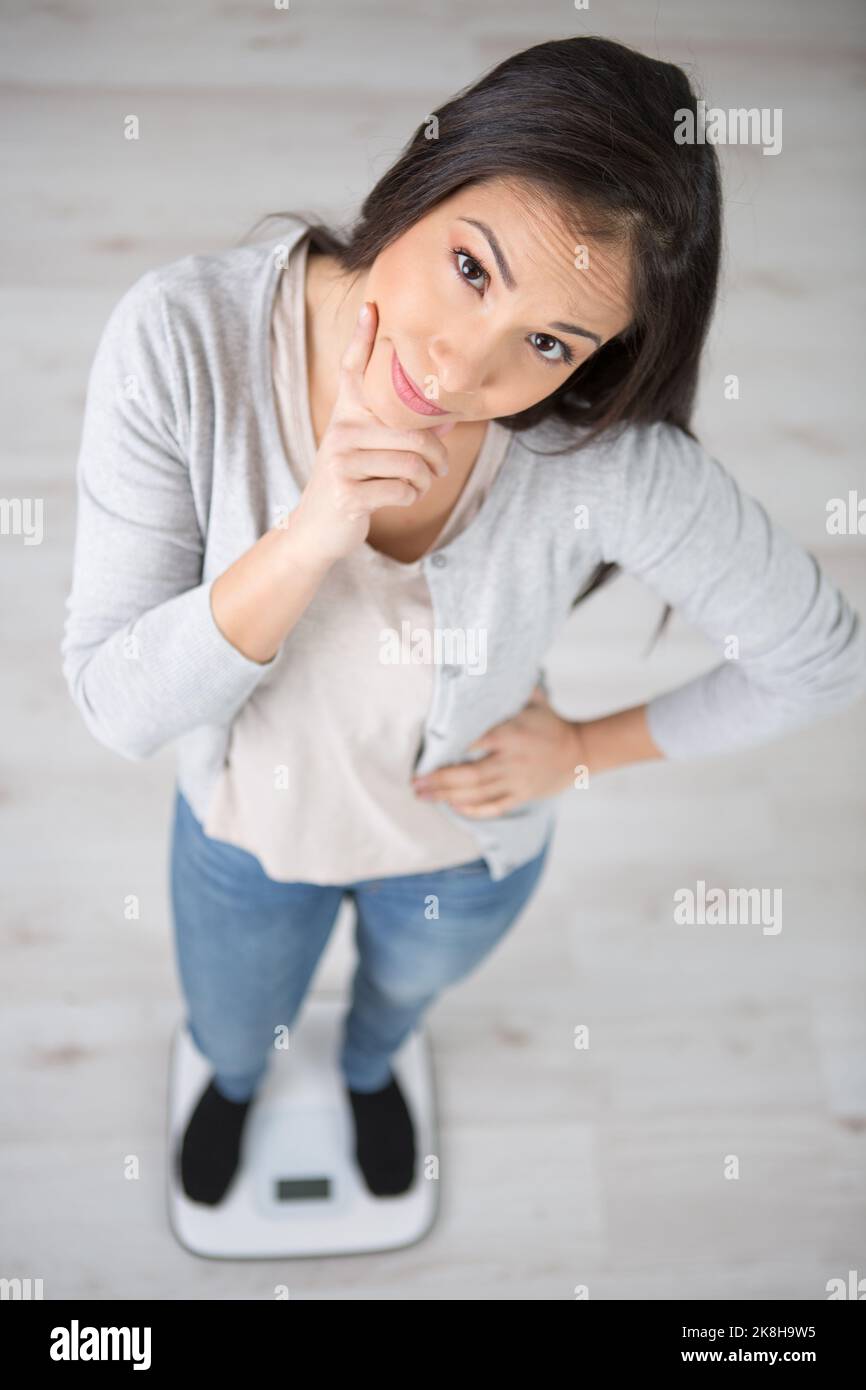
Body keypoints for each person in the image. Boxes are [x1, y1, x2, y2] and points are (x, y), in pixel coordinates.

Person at [60, 36, 866, 1205]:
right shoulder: (182, 340)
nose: (455, 367)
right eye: (472, 268)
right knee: (234, 1027)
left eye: (547, 342)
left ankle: (373, 1069)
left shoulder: (598, 458)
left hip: (455, 857)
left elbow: (817, 659)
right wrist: (311, 531)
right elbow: (118, 706)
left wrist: (586, 749)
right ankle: (232, 1083)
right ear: (428, 177)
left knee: (395, 1007)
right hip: (243, 837)